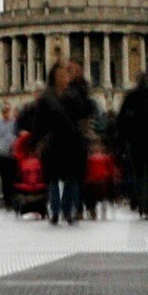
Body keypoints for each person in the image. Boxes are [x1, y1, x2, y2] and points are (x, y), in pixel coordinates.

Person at [31, 58, 98, 225]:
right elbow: (39, 121)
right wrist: (37, 141)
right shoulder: (47, 97)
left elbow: (85, 113)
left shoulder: (74, 95)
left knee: (70, 177)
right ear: (54, 77)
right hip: (52, 141)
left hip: (72, 142)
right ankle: (55, 210)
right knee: (52, 179)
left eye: (65, 75)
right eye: (61, 75)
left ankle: (67, 211)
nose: (64, 78)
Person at [107, 71, 148, 219]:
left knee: (138, 174)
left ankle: (141, 205)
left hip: (135, 141)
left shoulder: (131, 97)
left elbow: (121, 121)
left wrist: (124, 139)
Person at [0, 101, 22, 213]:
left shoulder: (15, 124)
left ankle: (14, 200)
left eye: (7, 111)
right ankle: (7, 202)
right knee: (5, 179)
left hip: (13, 155)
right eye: (4, 111)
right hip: (2, 156)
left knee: (13, 178)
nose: (6, 113)